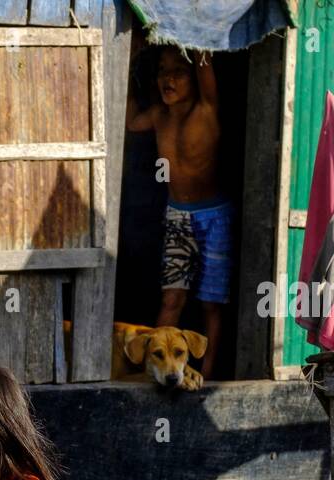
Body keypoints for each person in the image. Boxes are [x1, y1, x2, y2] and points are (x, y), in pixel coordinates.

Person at [126, 30, 231, 380]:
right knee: (171, 300)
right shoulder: (158, 116)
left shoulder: (206, 109)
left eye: (178, 72)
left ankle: (207, 378)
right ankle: (155, 375)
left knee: (211, 304)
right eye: (162, 71)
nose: (168, 79)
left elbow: (204, 58)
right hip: (176, 216)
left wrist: (194, 23)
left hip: (215, 217)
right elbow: (129, 121)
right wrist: (129, 58)